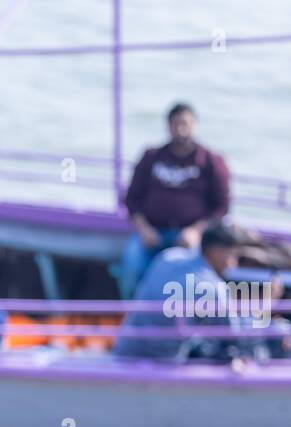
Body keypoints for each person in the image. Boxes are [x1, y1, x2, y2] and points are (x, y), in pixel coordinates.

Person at [112, 221, 281, 362]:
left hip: (124, 349)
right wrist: (266, 304)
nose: (233, 264)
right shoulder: (212, 288)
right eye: (233, 255)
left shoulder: (168, 256)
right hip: (163, 364)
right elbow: (236, 335)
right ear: (216, 251)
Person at [119, 102, 230, 298]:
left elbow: (221, 207)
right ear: (168, 127)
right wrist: (144, 229)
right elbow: (131, 200)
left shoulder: (210, 161)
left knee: (193, 278)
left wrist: (196, 231)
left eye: (186, 124)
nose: (181, 129)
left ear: (195, 125)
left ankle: (181, 320)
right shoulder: (151, 157)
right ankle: (136, 312)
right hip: (152, 233)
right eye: (176, 124)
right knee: (132, 265)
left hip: (189, 235)